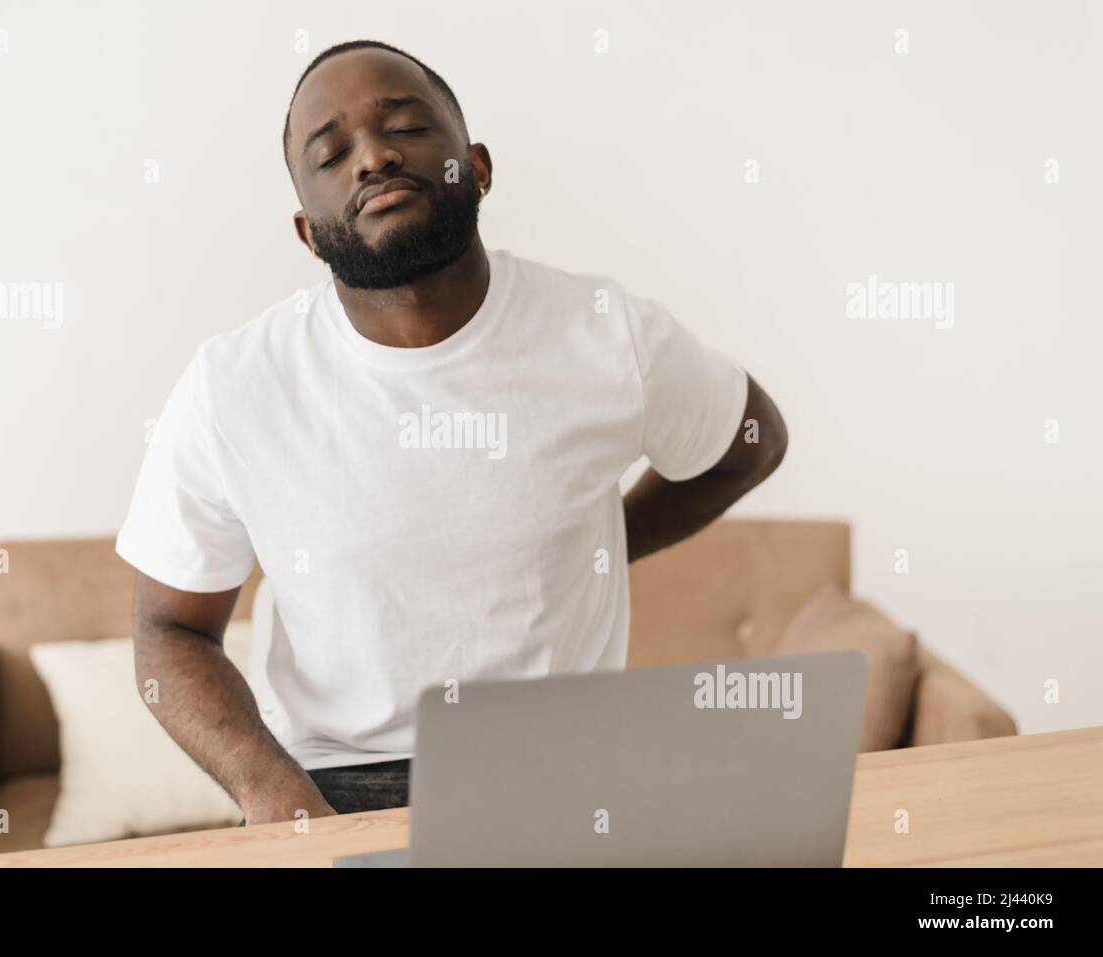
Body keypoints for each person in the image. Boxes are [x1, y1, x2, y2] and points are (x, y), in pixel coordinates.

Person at [115, 39, 788, 826]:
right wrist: (269, 786)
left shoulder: (607, 335)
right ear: (308, 231)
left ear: (476, 167)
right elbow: (170, 630)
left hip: (562, 772)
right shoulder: (232, 384)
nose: (372, 157)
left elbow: (752, 439)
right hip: (332, 784)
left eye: (404, 126)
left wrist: (605, 543)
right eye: (332, 153)